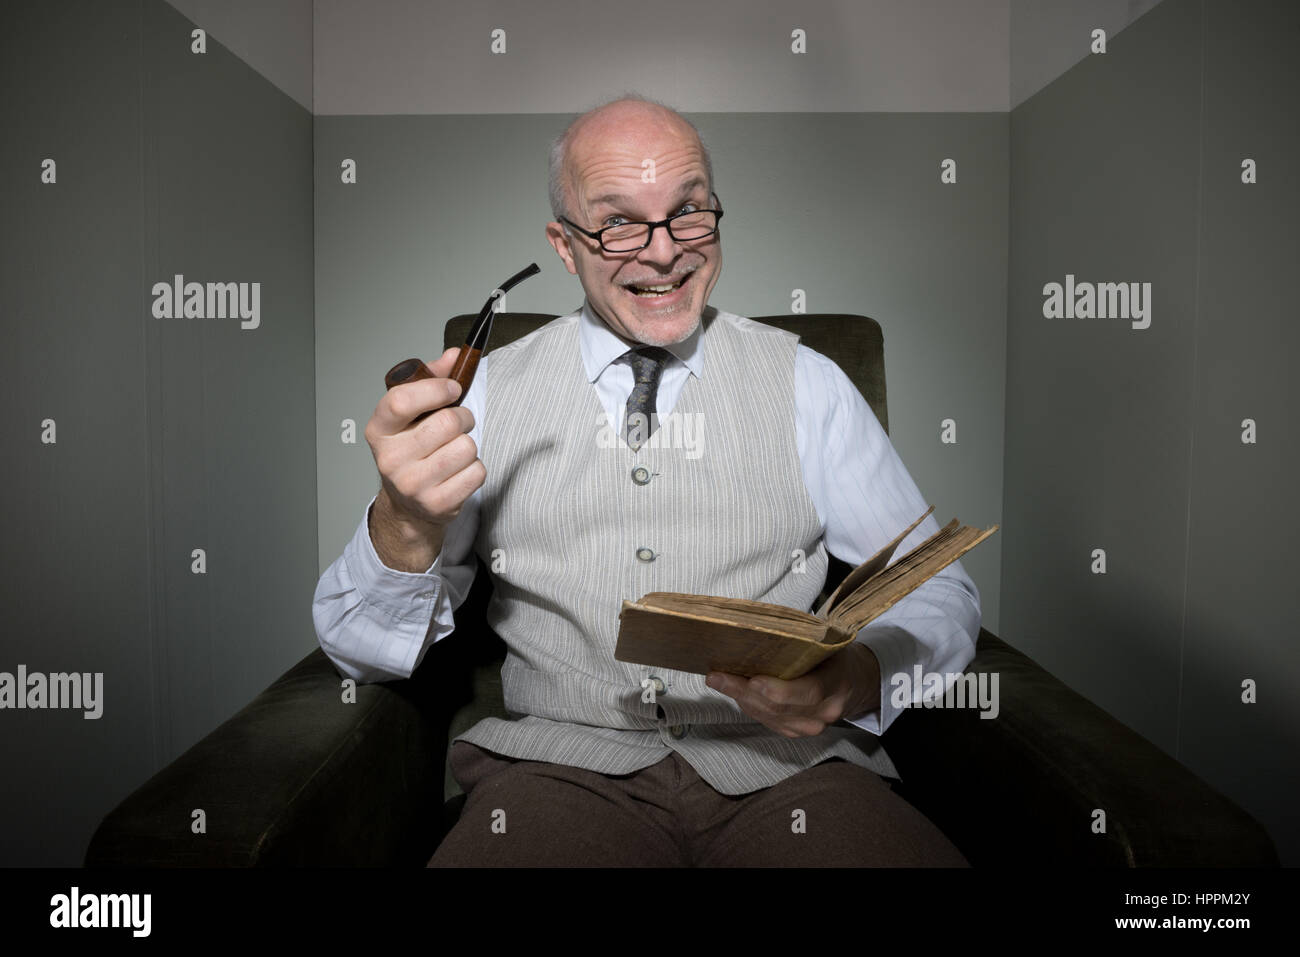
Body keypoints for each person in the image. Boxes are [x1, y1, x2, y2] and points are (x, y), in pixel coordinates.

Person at [313, 93, 981, 867]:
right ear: (564, 246)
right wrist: (402, 517)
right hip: (553, 777)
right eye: (619, 221)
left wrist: (855, 678)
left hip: (793, 774)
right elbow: (356, 646)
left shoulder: (810, 383)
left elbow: (940, 591)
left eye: (689, 212)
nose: (663, 253)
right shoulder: (486, 394)